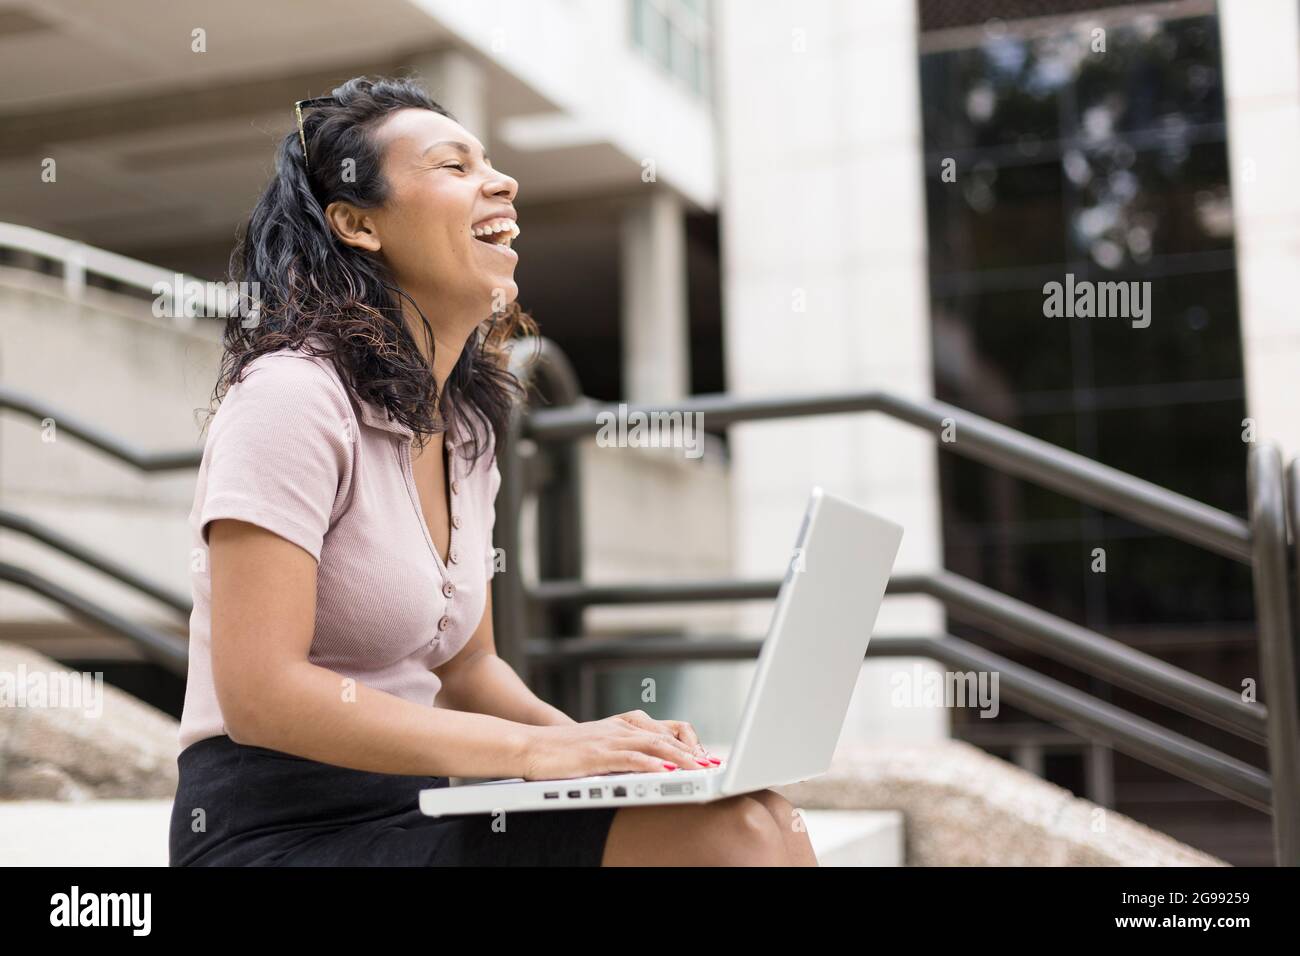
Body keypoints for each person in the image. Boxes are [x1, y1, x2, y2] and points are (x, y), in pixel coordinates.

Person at [168, 75, 816, 866]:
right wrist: (537, 757)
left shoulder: (468, 423)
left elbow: (468, 666)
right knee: (724, 841)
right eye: (453, 167)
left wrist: (601, 746)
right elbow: (261, 695)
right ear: (355, 222)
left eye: (491, 164)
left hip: (428, 797)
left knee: (762, 818)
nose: (500, 181)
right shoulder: (291, 399)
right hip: (277, 830)